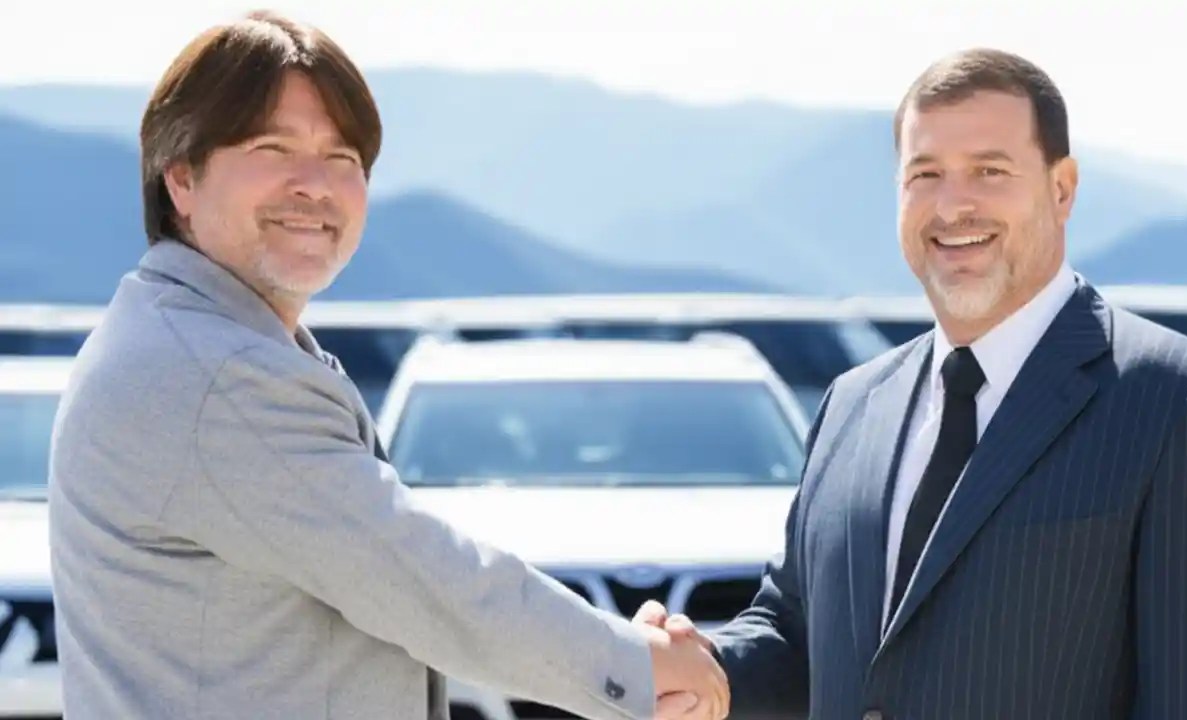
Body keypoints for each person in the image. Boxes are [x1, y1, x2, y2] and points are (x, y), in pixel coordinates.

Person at [46, 11, 727, 720]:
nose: (314, 185)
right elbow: (422, 579)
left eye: (343, 158)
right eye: (273, 148)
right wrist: (638, 668)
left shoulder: (176, 334)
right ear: (181, 178)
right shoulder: (215, 375)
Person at [639, 48, 1187, 719]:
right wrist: (699, 669)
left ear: (1062, 189)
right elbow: (798, 635)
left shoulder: (1185, 404)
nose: (954, 204)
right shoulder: (853, 406)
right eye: (925, 173)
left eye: (989, 171)